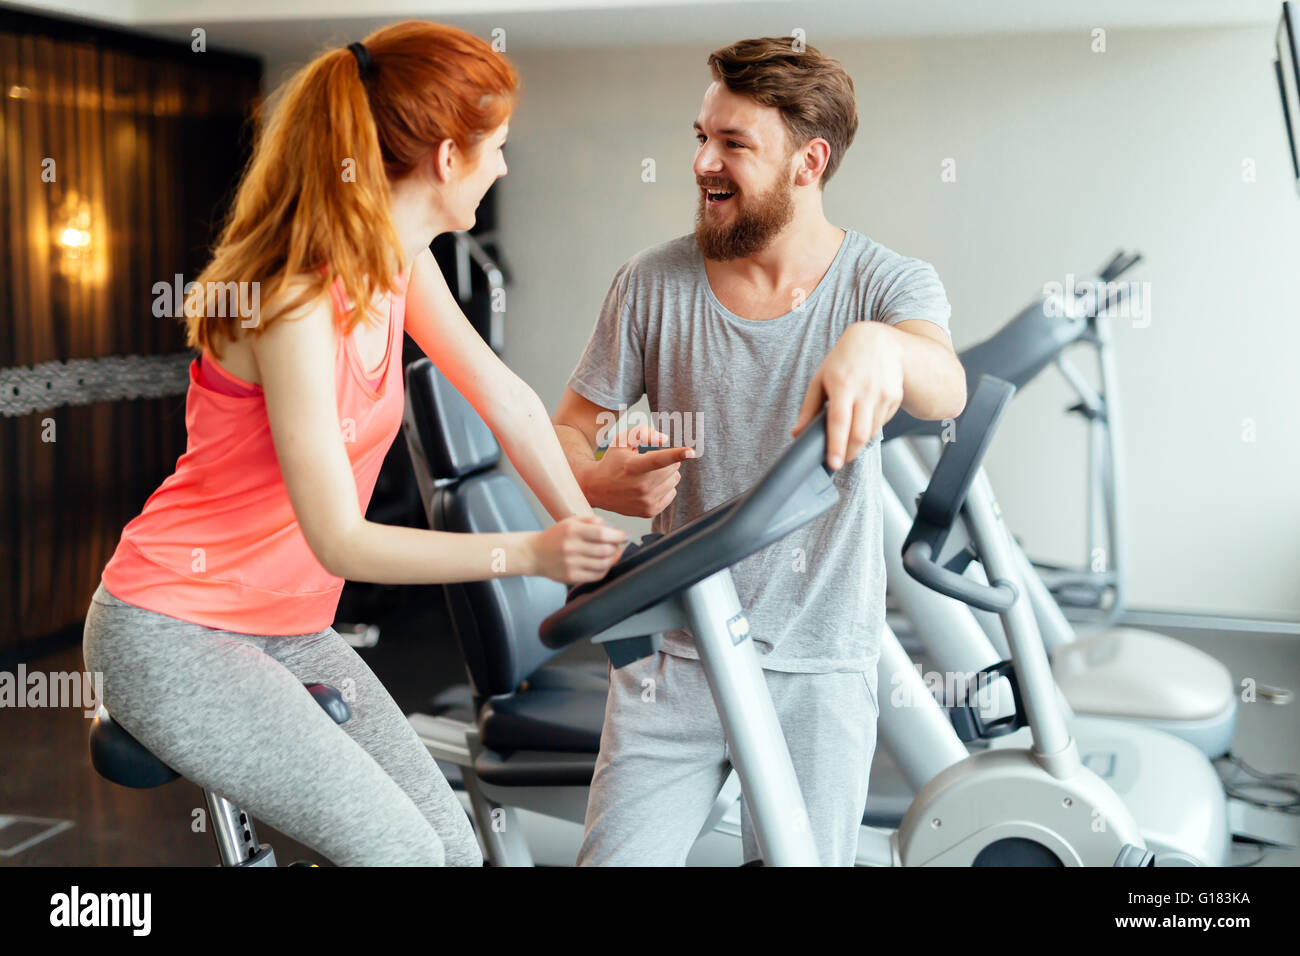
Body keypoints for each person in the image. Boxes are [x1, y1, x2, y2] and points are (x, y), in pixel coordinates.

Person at [82, 21, 626, 867]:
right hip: (171, 628)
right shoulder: (295, 299)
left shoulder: (400, 267)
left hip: (287, 625)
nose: (504, 167)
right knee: (402, 854)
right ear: (448, 157)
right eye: (499, 147)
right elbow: (339, 537)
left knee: (449, 844)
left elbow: (507, 400)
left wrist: (593, 539)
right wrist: (529, 552)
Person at [554, 36, 967, 866]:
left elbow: (944, 383)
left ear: (808, 163)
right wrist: (599, 472)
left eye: (734, 144)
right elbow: (568, 428)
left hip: (821, 665)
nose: (704, 160)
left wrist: (881, 349)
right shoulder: (651, 282)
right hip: (674, 655)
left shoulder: (884, 284)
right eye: (701, 136)